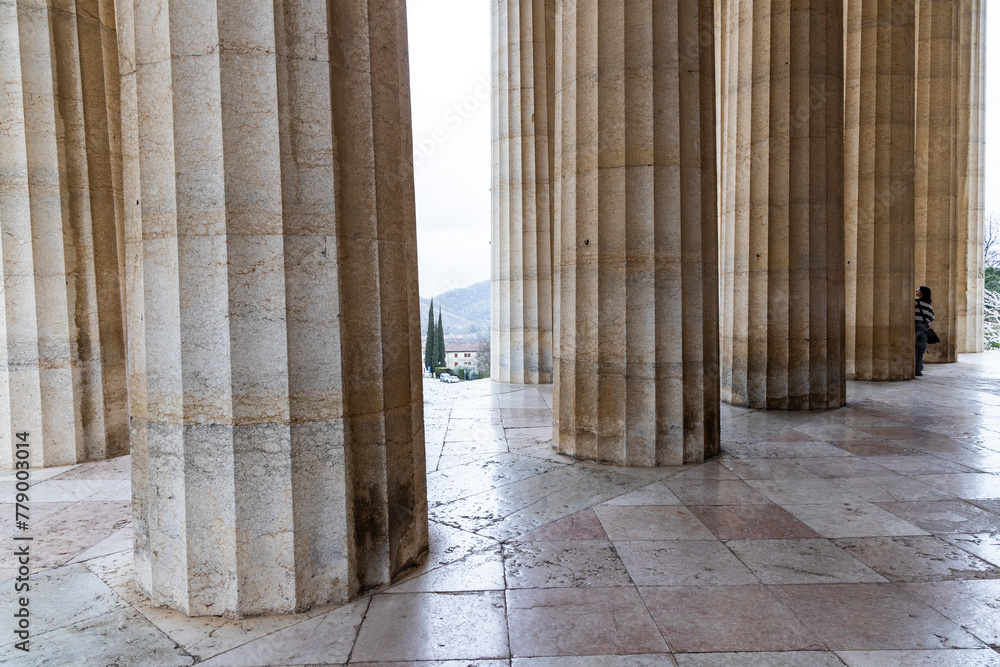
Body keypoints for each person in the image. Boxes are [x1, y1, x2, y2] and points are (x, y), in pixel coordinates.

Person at [914, 285, 934, 376]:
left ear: (921, 293)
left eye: (918, 289)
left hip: (914, 326)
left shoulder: (914, 303)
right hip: (924, 328)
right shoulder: (929, 306)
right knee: (921, 349)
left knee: (912, 348)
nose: (916, 290)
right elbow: (932, 317)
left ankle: (910, 368)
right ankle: (918, 370)